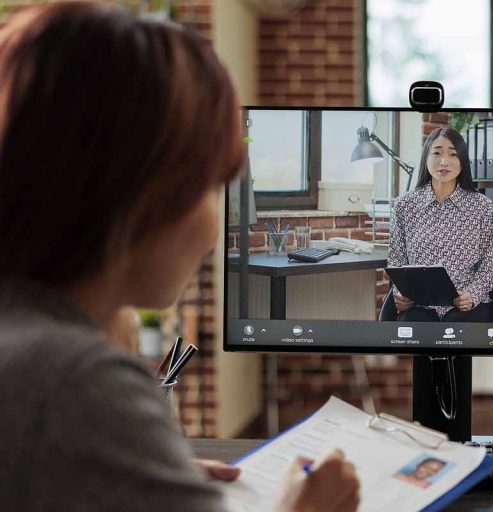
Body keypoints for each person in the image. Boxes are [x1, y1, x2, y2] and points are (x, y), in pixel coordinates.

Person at [0, 3, 359, 511]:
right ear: (141, 191)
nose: (213, 232)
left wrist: (136, 469)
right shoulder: (78, 384)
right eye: (208, 188)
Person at [388, 126, 493, 322]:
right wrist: (400, 294)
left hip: (465, 305)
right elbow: (397, 259)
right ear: (426, 158)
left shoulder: (482, 206)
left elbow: (488, 265)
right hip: (419, 303)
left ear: (462, 161)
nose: (444, 161)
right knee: (412, 326)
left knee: (457, 327)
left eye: (453, 154)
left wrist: (472, 295)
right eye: (437, 153)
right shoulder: (404, 205)